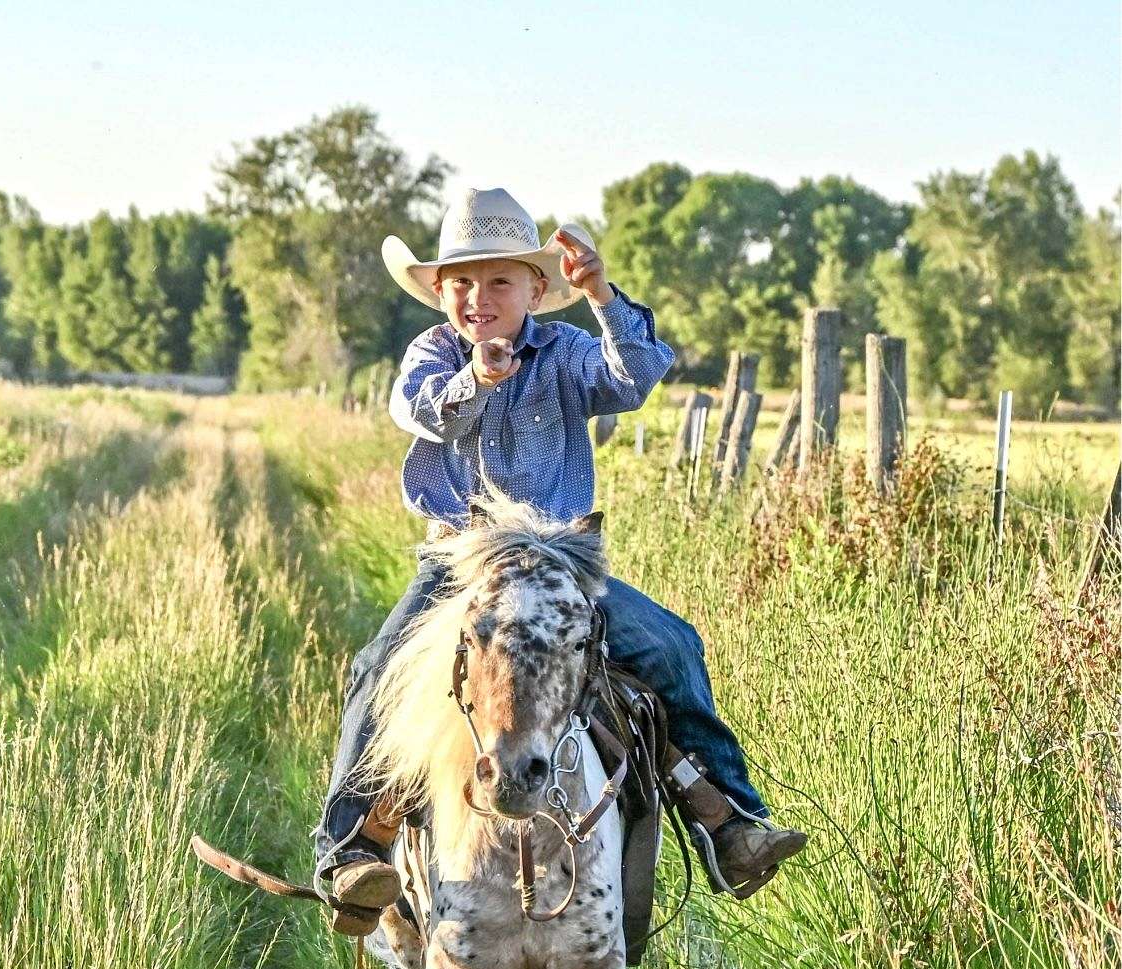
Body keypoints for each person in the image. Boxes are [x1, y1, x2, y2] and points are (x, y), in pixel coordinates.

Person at [312, 187, 806, 930]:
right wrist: (475, 379)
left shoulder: (570, 351)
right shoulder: (432, 355)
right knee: (378, 666)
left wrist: (602, 295)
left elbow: (634, 377)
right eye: (462, 283)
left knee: (671, 645)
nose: (479, 297)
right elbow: (417, 410)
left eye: (499, 281)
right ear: (440, 292)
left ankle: (727, 822)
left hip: (558, 564)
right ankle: (350, 848)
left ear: (538, 289)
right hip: (459, 565)